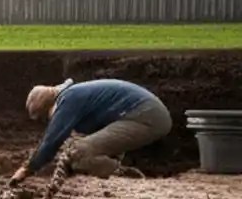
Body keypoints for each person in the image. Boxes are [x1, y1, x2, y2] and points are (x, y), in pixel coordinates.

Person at [10, 77, 173, 185]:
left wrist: (27, 169)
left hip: (145, 115)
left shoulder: (69, 99)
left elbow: (52, 141)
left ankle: (127, 179)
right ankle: (116, 172)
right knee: (86, 149)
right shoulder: (75, 94)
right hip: (141, 113)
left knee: (81, 152)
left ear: (50, 106)